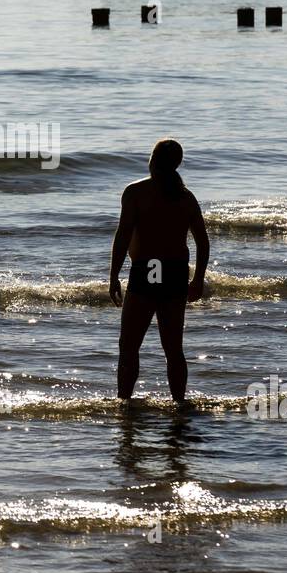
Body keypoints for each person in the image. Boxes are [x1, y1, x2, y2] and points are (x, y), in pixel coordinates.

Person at [108, 139, 209, 402]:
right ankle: (179, 402)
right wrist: (197, 278)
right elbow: (202, 241)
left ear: (152, 159)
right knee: (173, 347)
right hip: (174, 272)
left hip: (146, 270)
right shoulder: (185, 197)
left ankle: (125, 401)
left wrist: (113, 276)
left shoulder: (135, 192)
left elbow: (122, 237)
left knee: (129, 346)